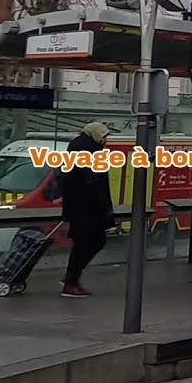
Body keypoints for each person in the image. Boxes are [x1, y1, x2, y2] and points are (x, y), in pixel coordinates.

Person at [60, 122, 115, 298]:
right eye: (104, 136)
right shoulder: (88, 152)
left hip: (78, 207)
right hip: (87, 209)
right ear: (95, 135)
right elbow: (93, 182)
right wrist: (105, 209)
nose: (106, 140)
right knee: (93, 242)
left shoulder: (78, 147)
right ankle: (70, 281)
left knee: (83, 244)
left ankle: (71, 278)